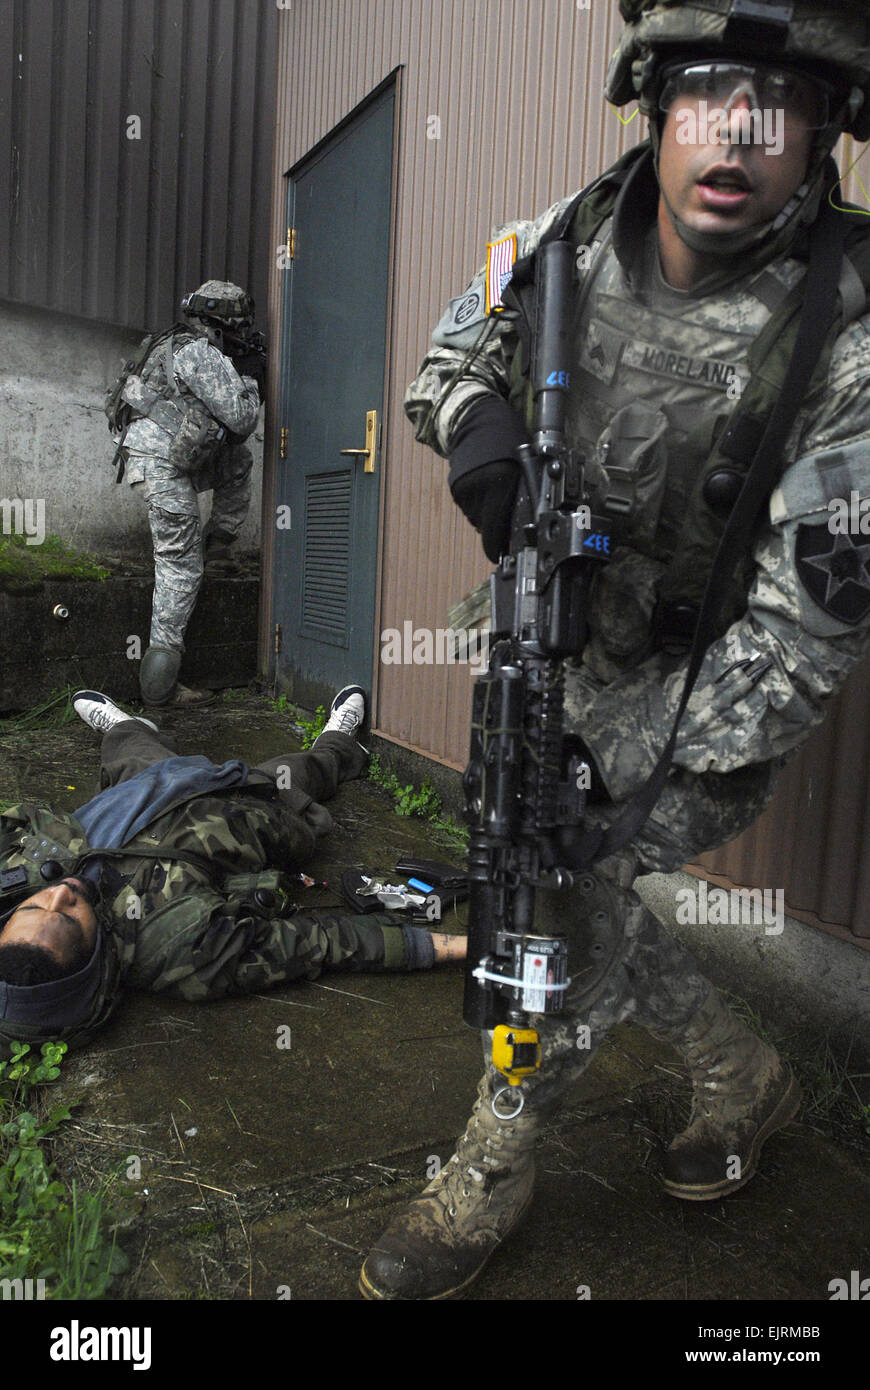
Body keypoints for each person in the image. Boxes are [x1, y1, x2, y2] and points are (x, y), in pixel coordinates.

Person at [359, 0, 870, 1300]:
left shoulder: (850, 329)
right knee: (544, 863)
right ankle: (736, 1069)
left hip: (713, 690)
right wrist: (483, 451)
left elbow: (802, 631)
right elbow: (446, 359)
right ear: (654, 101)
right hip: (548, 650)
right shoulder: (558, 236)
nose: (737, 129)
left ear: (825, 129)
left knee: (559, 888)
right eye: (707, 89)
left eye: (780, 99)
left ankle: (492, 1160)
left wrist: (619, 778)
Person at [0, 686, 465, 1055]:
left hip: (149, 784)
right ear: (93, 957)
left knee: (129, 746)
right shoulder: (182, 949)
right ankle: (340, 741)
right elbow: (322, 944)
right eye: (65, 915)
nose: (60, 892)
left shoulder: (14, 881)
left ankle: (126, 727)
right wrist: (446, 946)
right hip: (244, 804)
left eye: (34, 904)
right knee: (305, 771)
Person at [111, 280, 266, 706]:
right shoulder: (201, 352)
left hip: (155, 456)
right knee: (179, 567)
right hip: (163, 463)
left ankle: (218, 546)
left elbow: (231, 441)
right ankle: (159, 689)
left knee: (238, 462)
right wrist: (249, 381)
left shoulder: (168, 344)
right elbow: (241, 419)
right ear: (221, 324)